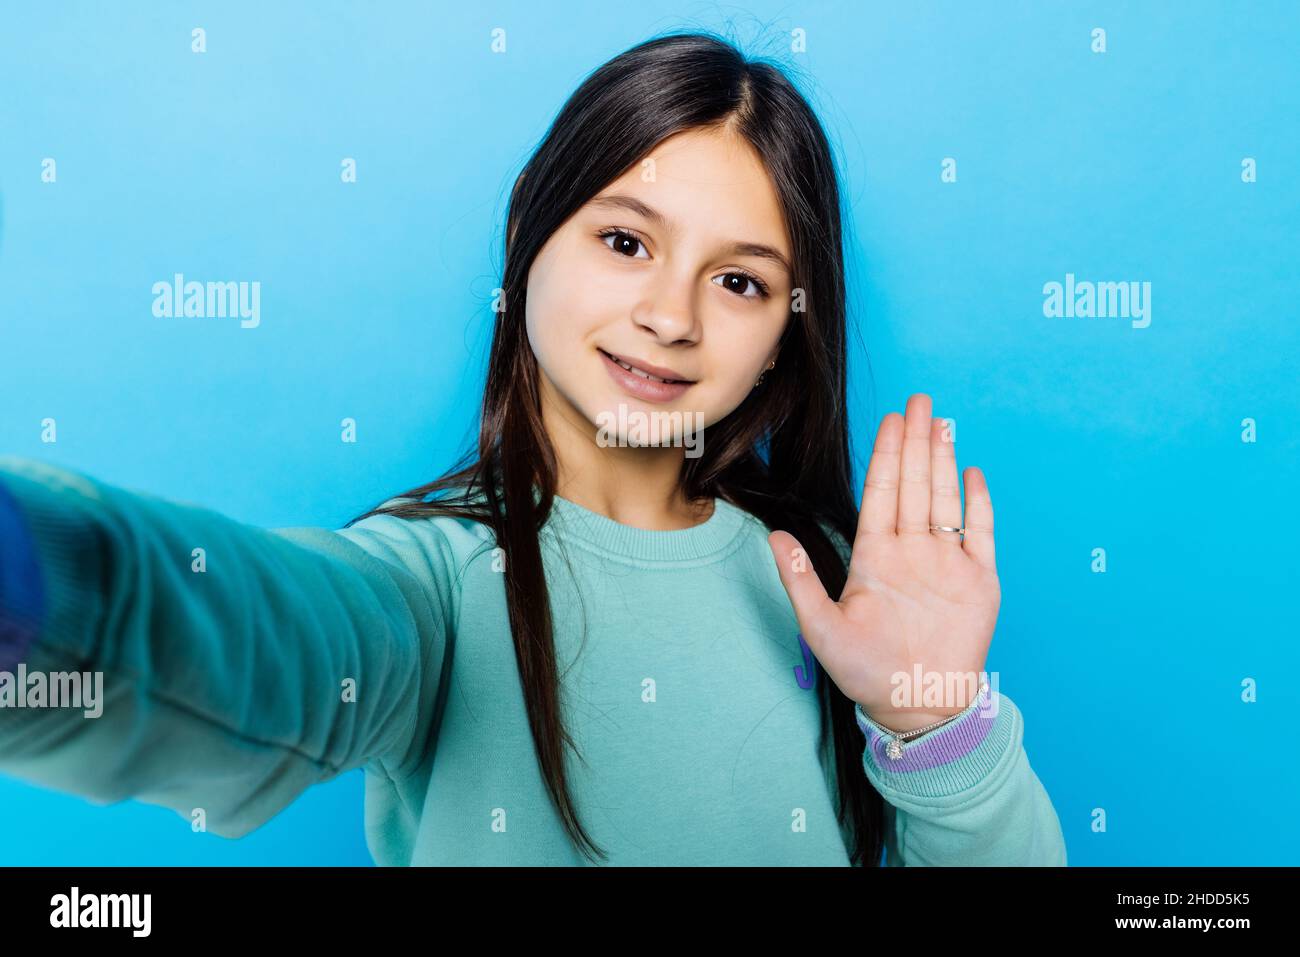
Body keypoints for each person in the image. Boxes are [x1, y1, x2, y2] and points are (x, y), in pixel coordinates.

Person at [0, 31, 1066, 867]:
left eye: (737, 280)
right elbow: (254, 637)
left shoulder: (832, 587)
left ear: (789, 321)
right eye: (624, 241)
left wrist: (929, 719)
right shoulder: (430, 582)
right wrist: (37, 586)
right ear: (528, 236)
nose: (669, 316)